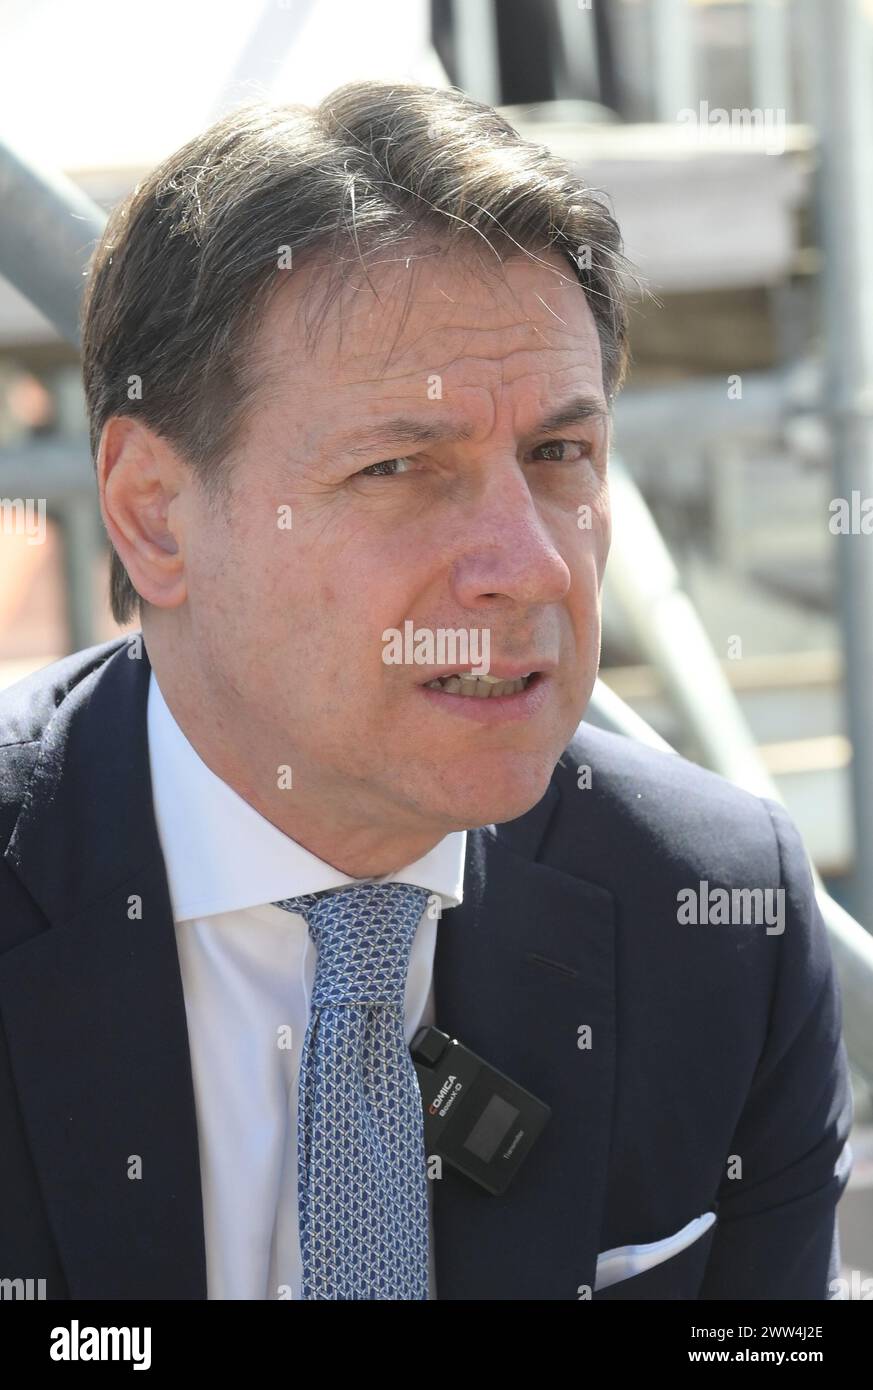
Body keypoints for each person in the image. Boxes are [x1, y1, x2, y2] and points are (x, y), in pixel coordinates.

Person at [0, 80, 852, 1301]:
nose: (533, 564)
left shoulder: (714, 917)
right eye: (400, 465)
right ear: (155, 516)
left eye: (559, 454)